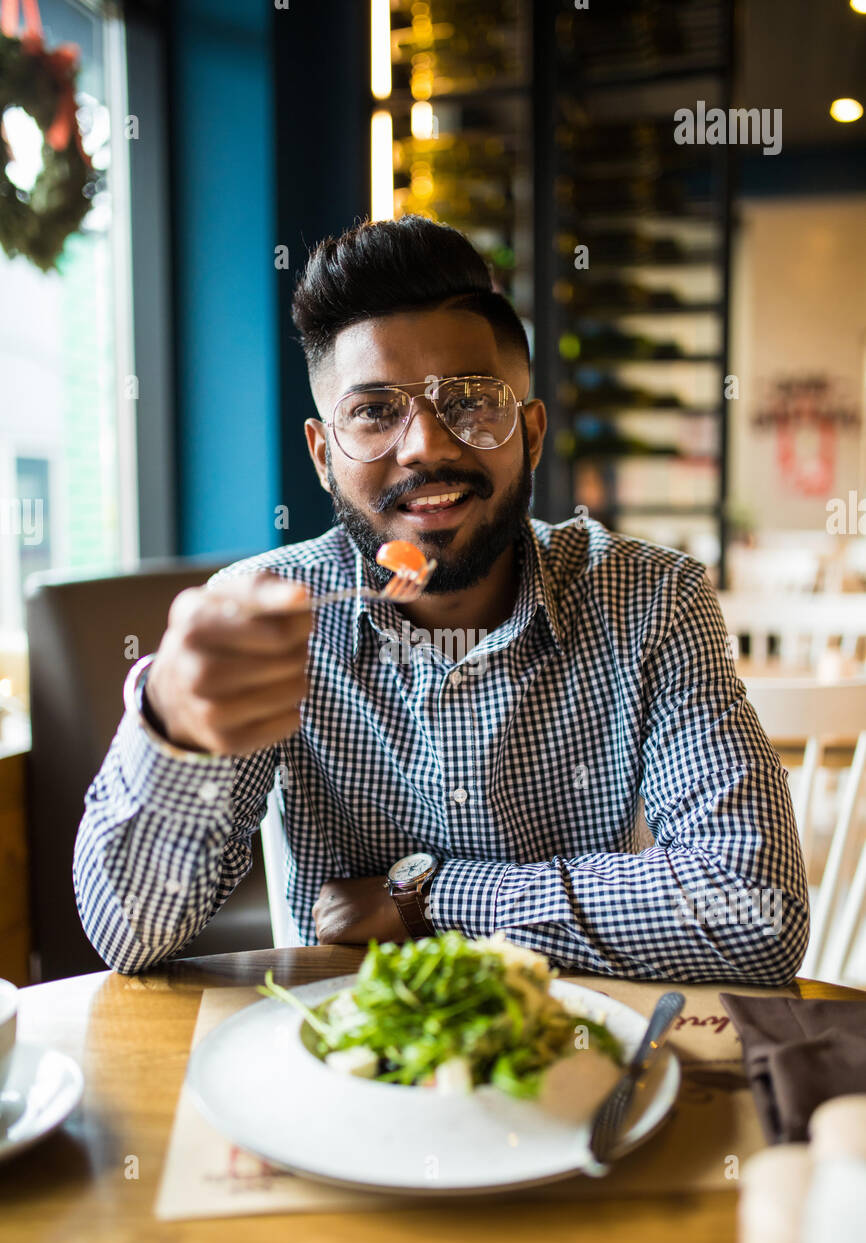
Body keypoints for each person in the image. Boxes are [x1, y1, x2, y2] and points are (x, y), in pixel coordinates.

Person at [73, 215, 809, 982]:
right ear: (324, 457)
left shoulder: (651, 597)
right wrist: (171, 730)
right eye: (374, 411)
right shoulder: (268, 619)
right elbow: (131, 940)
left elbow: (752, 907)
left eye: (471, 401)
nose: (426, 446)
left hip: (579, 1055)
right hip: (347, 1061)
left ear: (529, 432)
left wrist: (426, 898)